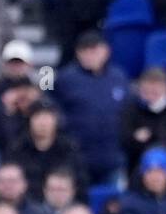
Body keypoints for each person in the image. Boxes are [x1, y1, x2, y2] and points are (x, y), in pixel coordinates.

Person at [53, 32, 127, 186]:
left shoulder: (119, 77)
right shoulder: (65, 79)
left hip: (111, 159)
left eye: (94, 50)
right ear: (77, 53)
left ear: (106, 51)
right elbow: (51, 107)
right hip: (78, 159)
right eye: (84, 51)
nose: (90, 55)